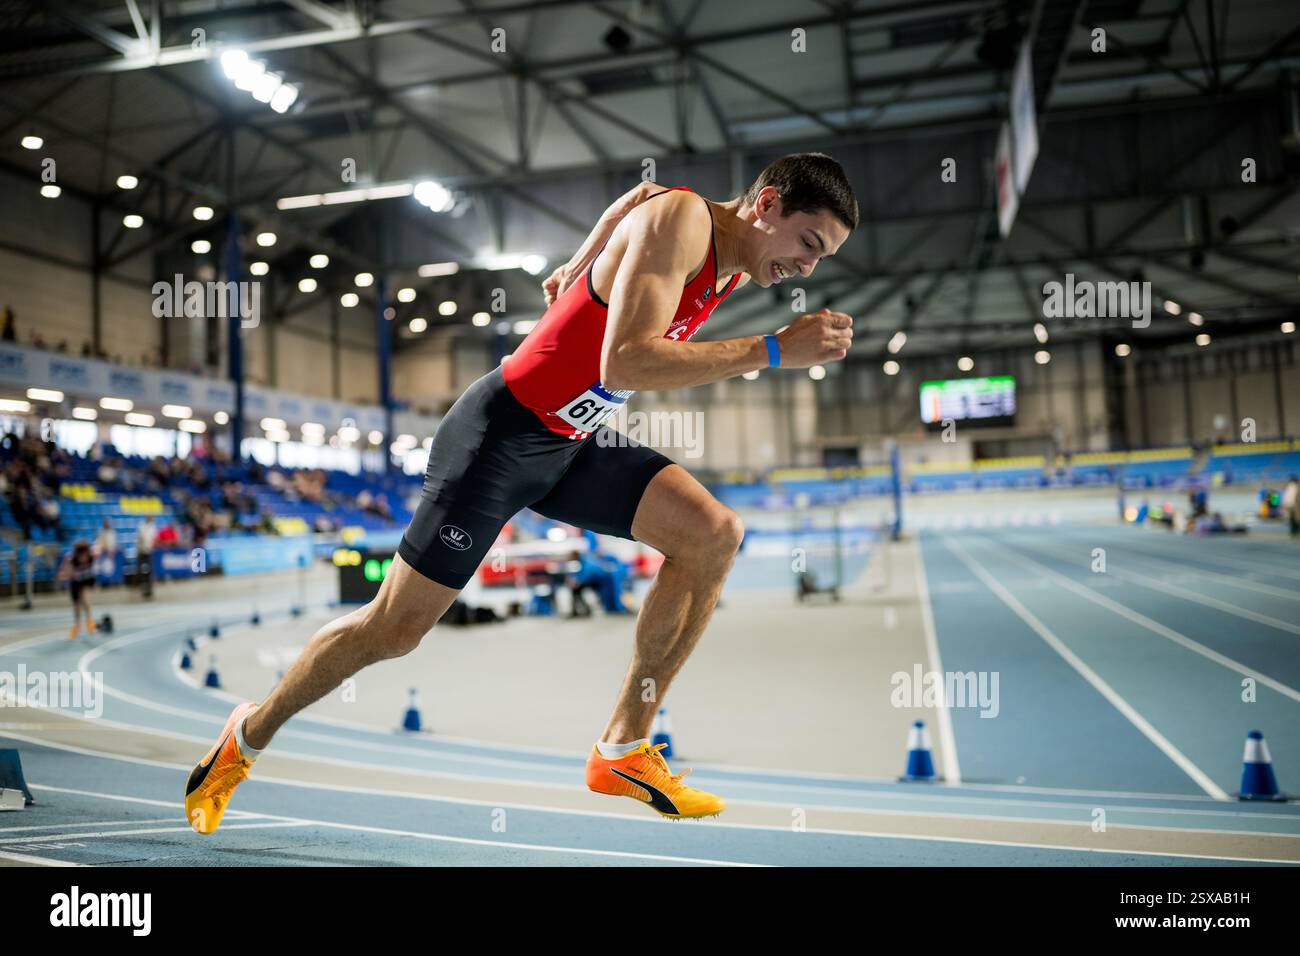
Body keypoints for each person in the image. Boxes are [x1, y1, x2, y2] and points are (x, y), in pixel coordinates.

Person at [185, 152, 857, 833]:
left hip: (571, 443)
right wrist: (773, 350)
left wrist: (580, 262)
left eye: (822, 257)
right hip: (498, 438)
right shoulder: (684, 221)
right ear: (766, 205)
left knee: (714, 535)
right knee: (392, 631)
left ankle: (622, 748)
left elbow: (641, 191)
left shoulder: (733, 259)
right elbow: (626, 359)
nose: (808, 268)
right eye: (809, 244)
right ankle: (248, 733)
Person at [59, 540, 97, 640]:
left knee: (85, 599)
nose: (84, 558)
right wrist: (66, 573)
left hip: (86, 580)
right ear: (78, 553)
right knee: (76, 605)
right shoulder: (72, 559)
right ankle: (77, 625)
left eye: (86, 554)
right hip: (75, 582)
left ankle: (89, 620)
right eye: (82, 555)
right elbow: (65, 572)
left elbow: (99, 550)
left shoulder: (91, 557)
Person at [136, 515, 156, 598]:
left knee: (150, 572)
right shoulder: (141, 526)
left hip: (149, 552)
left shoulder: (153, 527)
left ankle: (149, 590)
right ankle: (141, 588)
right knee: (140, 571)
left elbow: (153, 539)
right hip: (141, 551)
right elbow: (141, 539)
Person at [93, 518, 118, 586]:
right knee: (98, 568)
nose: (107, 524)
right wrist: (99, 550)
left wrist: (111, 551)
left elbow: (113, 544)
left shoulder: (112, 533)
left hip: (109, 553)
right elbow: (98, 542)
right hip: (101, 553)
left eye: (108, 523)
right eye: (105, 523)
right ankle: (98, 582)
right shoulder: (100, 532)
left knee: (109, 569)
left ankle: (109, 582)